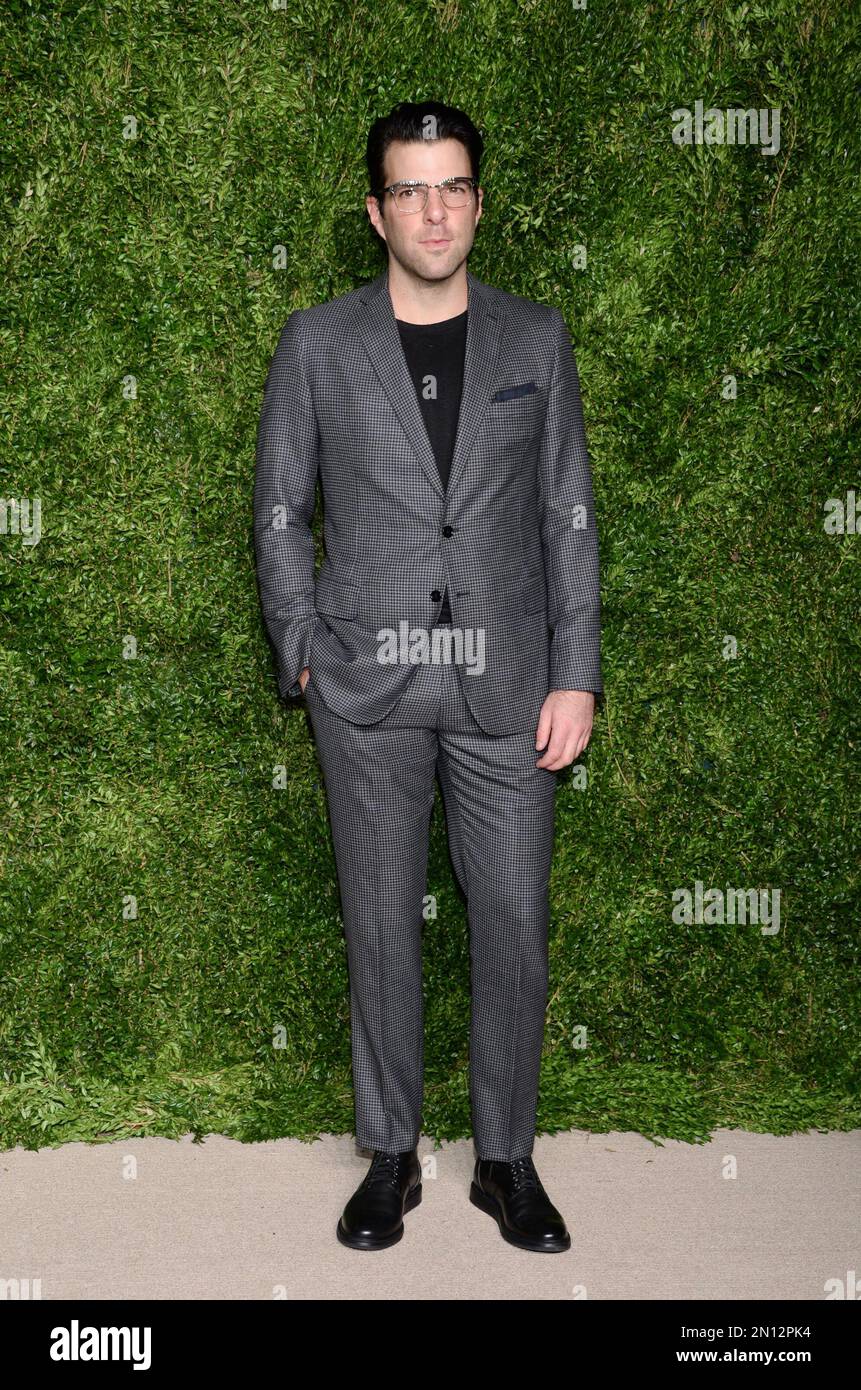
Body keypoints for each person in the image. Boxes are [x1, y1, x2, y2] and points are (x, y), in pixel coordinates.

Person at [253, 100, 603, 1253]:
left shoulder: (536, 338)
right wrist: (300, 642)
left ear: (479, 202)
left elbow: (566, 516)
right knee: (379, 920)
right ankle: (391, 1156)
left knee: (512, 916)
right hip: (367, 682)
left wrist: (577, 672)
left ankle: (505, 1159)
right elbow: (282, 506)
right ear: (376, 210)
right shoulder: (317, 339)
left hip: (510, 684)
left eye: (451, 185)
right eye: (410, 188)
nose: (433, 208)